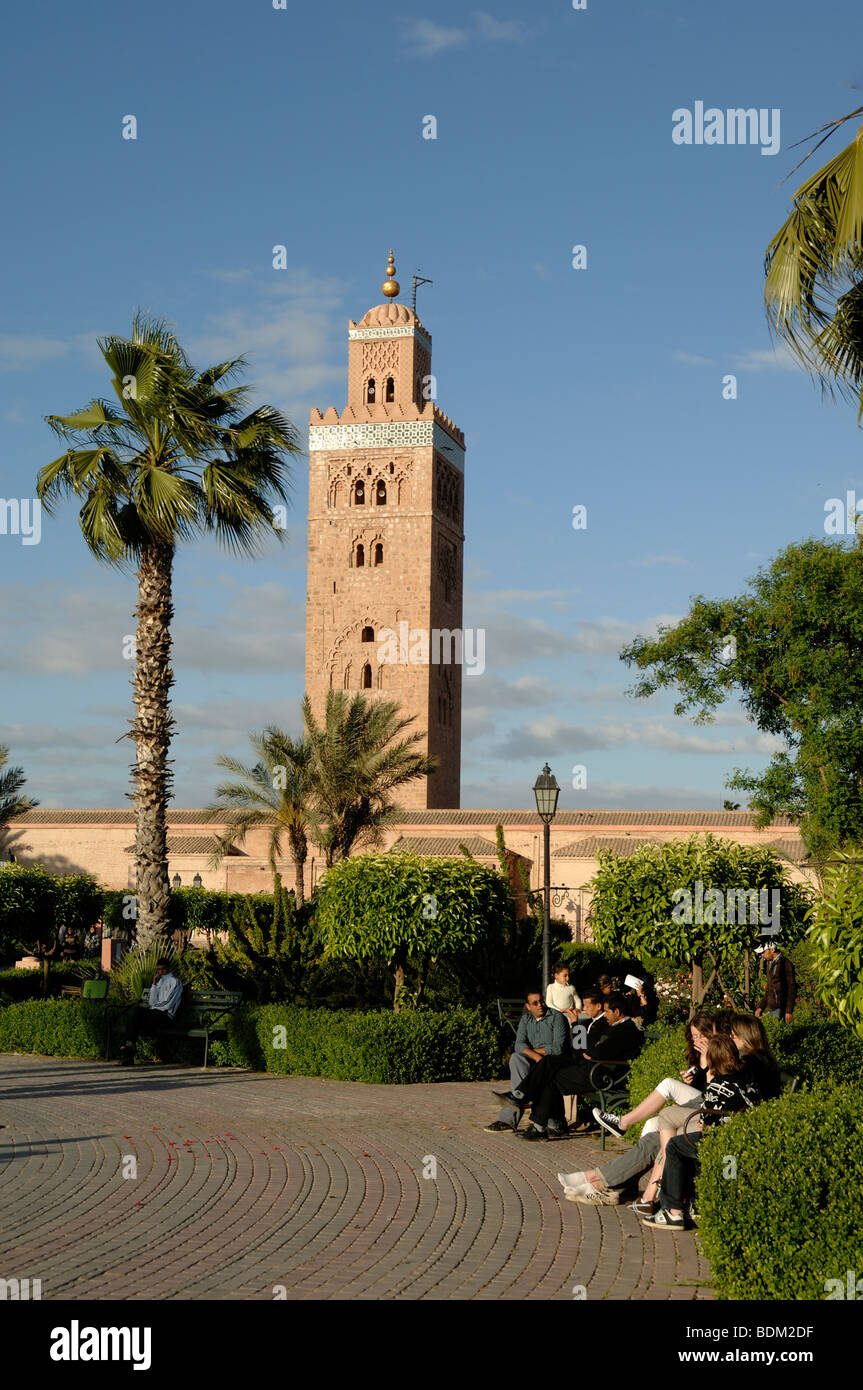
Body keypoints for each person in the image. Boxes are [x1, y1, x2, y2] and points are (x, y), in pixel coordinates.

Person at [559, 1011, 715, 1208]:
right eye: (694, 1036)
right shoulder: (699, 1055)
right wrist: (692, 1077)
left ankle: (604, 1170)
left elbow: (716, 1094)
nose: (698, 1040)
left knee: (667, 1087)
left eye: (702, 1035)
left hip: (702, 1113)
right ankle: (626, 1184)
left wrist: (708, 1062)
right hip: (693, 1107)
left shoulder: (721, 1055)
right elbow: (700, 1090)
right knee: (651, 1124)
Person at [642, 1031, 770, 1230]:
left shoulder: (717, 1085)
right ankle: (695, 1205)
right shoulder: (747, 1078)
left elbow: (706, 1120)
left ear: (712, 1058)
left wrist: (706, 1121)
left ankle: (673, 1211)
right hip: (743, 1134)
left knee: (676, 1145)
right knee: (686, 1140)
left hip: (722, 1139)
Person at [516, 992, 644, 1141]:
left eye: (607, 1011)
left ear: (617, 1012)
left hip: (601, 1074)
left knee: (550, 1074)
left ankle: (530, 1108)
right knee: (550, 1063)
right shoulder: (607, 1025)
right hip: (591, 1067)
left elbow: (596, 1050)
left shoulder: (624, 1029)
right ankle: (539, 1114)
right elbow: (584, 1049)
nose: (605, 1014)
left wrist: (586, 1041)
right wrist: (588, 1043)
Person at [484, 988, 569, 1133]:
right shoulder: (526, 1019)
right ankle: (515, 1104)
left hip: (554, 1061)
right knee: (517, 1058)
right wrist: (535, 1055)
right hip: (536, 1059)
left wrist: (534, 1053)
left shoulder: (557, 1017)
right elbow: (519, 1045)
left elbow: (557, 1048)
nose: (540, 1005)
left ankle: (514, 1105)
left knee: (537, 1065)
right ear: (528, 1006)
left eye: (541, 1001)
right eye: (534, 1003)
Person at [118, 958, 183, 1066]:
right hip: (154, 1015)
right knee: (135, 1010)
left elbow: (168, 1004)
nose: (160, 972)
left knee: (135, 1022)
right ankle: (130, 1044)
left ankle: (128, 1050)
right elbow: (151, 1001)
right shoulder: (158, 981)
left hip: (166, 1016)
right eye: (158, 970)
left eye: (163, 969)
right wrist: (154, 985)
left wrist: (153, 1006)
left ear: (168, 968)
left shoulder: (175, 982)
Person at [755, 942, 797, 1022]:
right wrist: (761, 1007)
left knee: (780, 1030)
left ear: (772, 949)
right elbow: (769, 988)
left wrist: (789, 1010)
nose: (762, 955)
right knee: (774, 1027)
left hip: (782, 1007)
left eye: (763, 952)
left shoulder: (786, 964)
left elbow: (792, 988)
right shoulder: (769, 964)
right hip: (773, 1008)